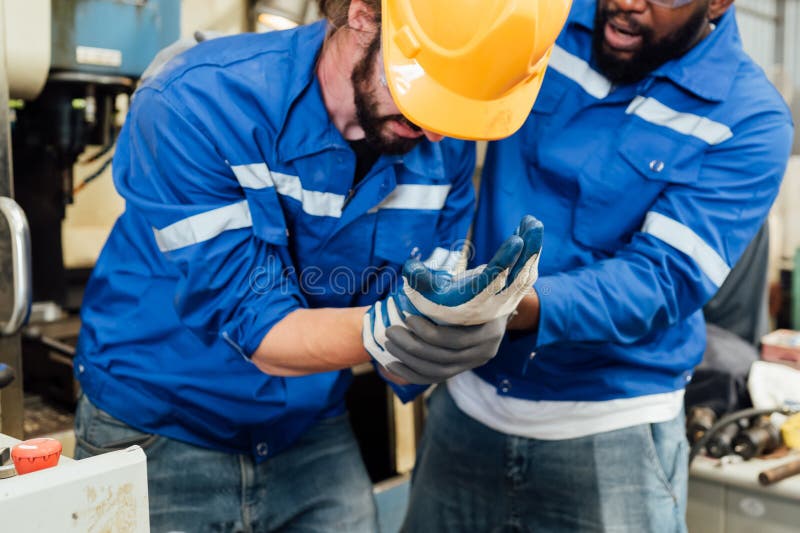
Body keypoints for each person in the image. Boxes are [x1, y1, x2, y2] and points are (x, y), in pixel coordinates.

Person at [72, 0, 568, 531]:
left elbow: (402, 351)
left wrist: (457, 327)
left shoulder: (439, 140)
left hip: (307, 427)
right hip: (156, 430)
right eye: (427, 88)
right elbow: (259, 327)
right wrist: (398, 326)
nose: (439, 133)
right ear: (362, 14)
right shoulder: (197, 101)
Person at [402, 0, 794, 531]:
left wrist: (503, 305)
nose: (626, 2)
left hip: (614, 435)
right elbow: (445, 122)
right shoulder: (544, 19)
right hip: (467, 414)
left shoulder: (748, 116)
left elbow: (661, 280)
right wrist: (438, 258)